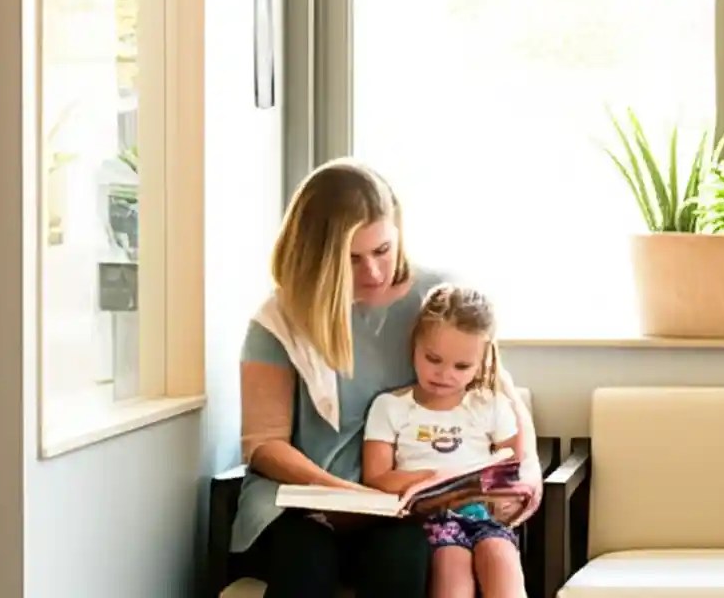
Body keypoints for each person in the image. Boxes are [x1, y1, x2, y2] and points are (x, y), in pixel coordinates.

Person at [231, 158, 542, 598]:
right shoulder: (279, 319)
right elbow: (262, 444)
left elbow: (499, 392)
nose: (373, 272)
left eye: (382, 250)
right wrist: (346, 495)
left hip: (400, 508)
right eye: (351, 259)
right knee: (305, 562)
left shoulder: (438, 298)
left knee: (404, 558)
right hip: (304, 504)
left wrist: (525, 470)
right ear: (317, 256)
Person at [363, 284, 527, 598]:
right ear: (415, 345)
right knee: (453, 570)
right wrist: (435, 479)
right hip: (428, 519)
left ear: (482, 361)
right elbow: (377, 477)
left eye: (461, 366)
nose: (444, 374)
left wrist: (499, 495)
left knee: (501, 561)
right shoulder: (391, 406)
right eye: (433, 358)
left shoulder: (489, 405)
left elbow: (511, 467)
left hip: (482, 514)